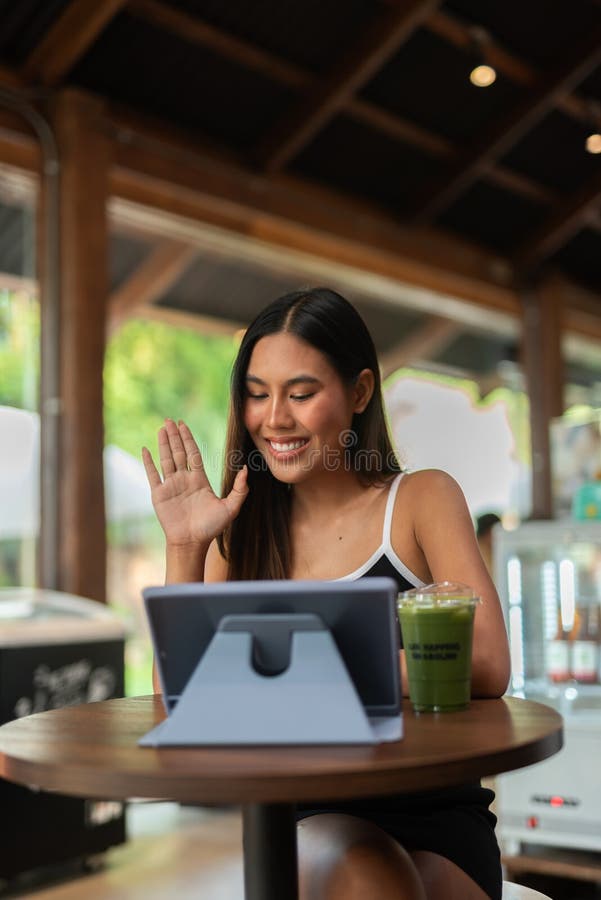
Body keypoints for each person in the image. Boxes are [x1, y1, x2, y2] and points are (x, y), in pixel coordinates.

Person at [142, 287, 511, 900]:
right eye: (257, 394)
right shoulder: (241, 534)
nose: (274, 418)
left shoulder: (420, 500)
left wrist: (318, 670)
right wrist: (186, 546)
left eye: (301, 393)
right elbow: (177, 693)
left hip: (438, 814)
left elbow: (489, 662)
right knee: (371, 879)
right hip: (310, 814)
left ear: (359, 392)